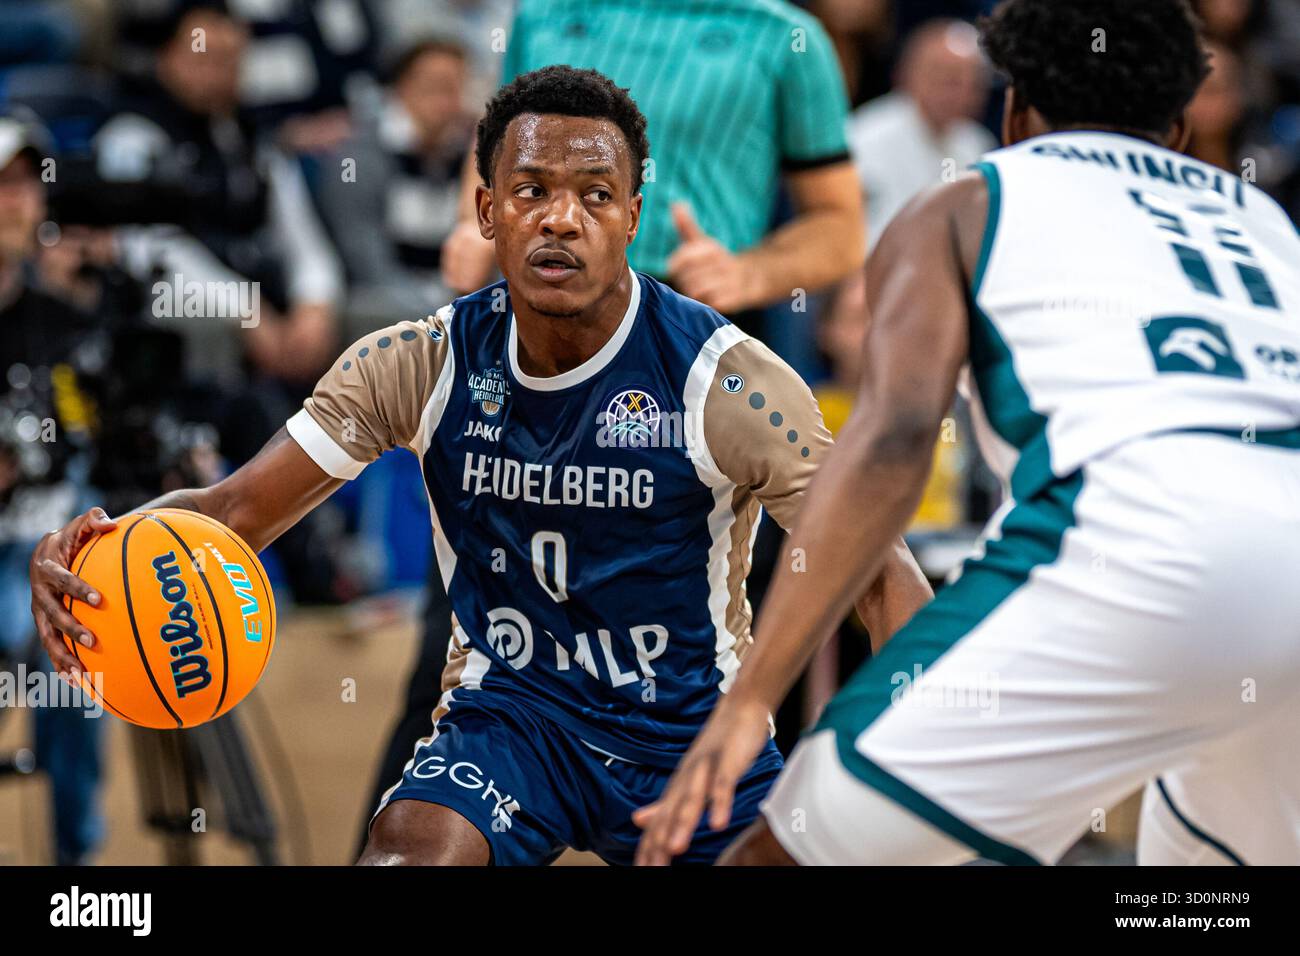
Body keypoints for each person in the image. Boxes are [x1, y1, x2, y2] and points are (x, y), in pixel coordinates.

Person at [28, 66, 931, 866]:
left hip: (688, 733)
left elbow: (878, 570)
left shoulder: (723, 380)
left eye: (595, 194)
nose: (561, 218)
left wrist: (924, 755)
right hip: (513, 720)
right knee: (407, 855)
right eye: (531, 189)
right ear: (488, 209)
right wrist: (94, 553)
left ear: (632, 217)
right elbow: (231, 515)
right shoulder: (418, 361)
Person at [637, 0, 1300, 866]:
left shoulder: (964, 201)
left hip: (1139, 546)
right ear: (1178, 128)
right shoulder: (1267, 224)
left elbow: (893, 440)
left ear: (1014, 111)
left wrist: (746, 702)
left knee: (787, 854)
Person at [440, 0, 865, 339]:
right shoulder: (542, 12)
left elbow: (840, 227)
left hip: (690, 320)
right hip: (536, 299)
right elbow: (494, 140)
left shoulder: (788, 38)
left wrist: (747, 274)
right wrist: (472, 228)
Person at [320, 36, 472, 334]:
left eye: (456, 88)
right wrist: (434, 315)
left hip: (449, 305)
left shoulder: (470, 155)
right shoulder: (357, 158)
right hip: (382, 311)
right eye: (436, 87)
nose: (449, 102)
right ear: (401, 89)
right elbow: (364, 257)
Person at [847, 18, 997, 248]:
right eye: (949, 79)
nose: (961, 92)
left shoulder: (977, 143)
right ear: (908, 74)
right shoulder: (865, 136)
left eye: (972, 82)